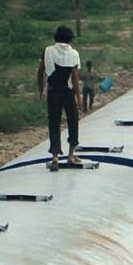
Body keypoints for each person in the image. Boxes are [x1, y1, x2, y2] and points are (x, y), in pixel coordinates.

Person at [37, 26, 82, 172]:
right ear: (70, 39)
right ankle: (71, 154)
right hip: (67, 92)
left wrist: (41, 90)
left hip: (53, 91)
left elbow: (40, 72)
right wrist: (78, 96)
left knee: (54, 123)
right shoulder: (73, 54)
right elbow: (74, 77)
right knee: (73, 121)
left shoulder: (48, 51)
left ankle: (55, 156)